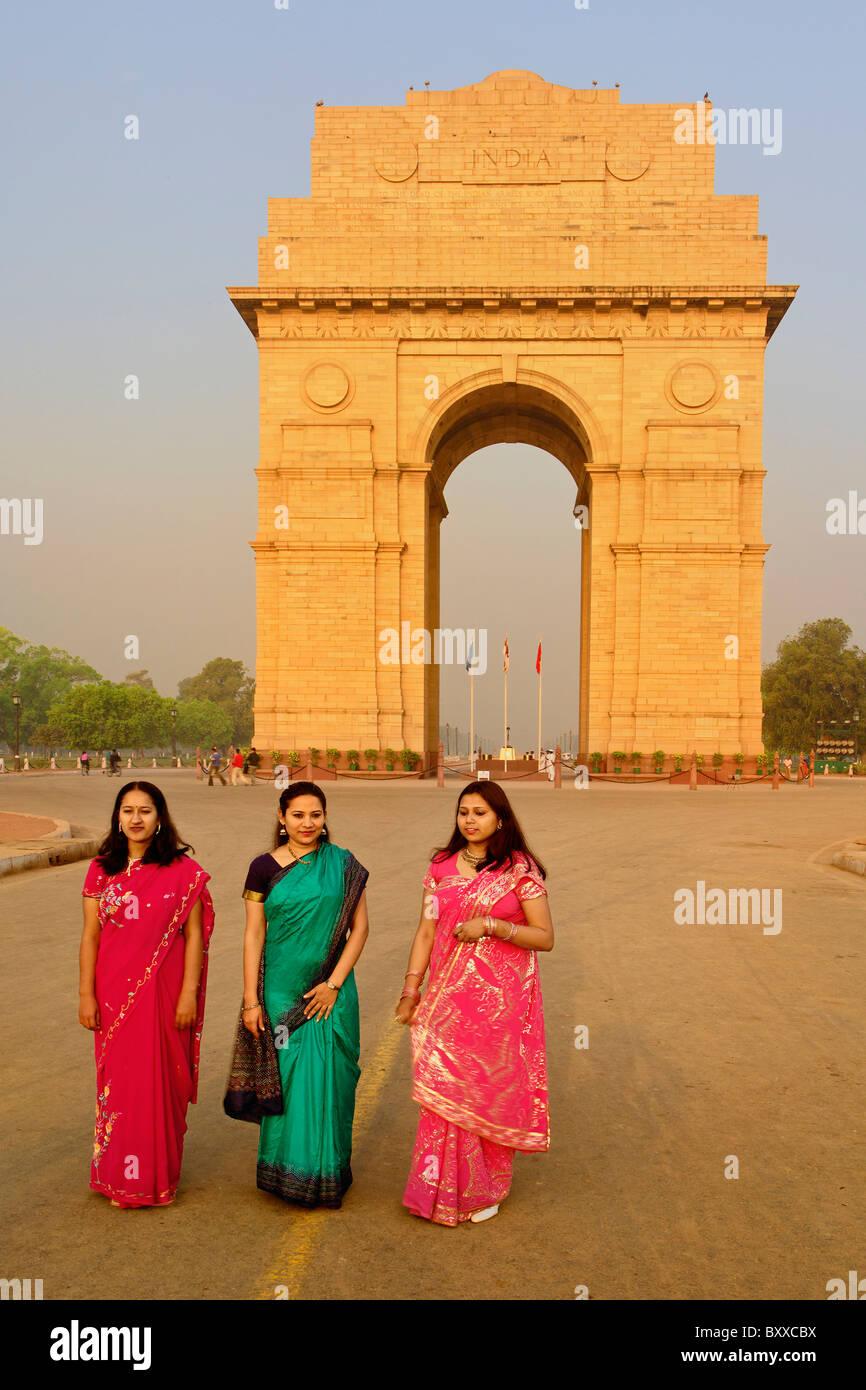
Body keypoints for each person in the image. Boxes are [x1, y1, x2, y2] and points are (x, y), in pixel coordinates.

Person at [398, 780, 553, 1225]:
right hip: (447, 1002)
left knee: (486, 1092)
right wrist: (412, 990)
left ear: (499, 818)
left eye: (480, 812)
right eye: (463, 811)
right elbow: (426, 931)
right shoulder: (441, 866)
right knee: (445, 1093)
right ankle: (438, 1189)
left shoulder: (519, 871)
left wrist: (490, 925)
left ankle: (485, 1188)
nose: (469, 819)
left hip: (498, 1007)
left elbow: (545, 937)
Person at [225, 783, 369, 1207]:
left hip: (332, 992)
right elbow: (254, 935)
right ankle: (285, 1172)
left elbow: (359, 929)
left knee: (334, 1080)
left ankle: (327, 1172)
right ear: (281, 817)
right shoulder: (262, 868)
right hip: (281, 994)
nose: (308, 824)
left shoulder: (343, 864)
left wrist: (333, 983)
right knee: (287, 1081)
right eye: (299, 815)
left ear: (325, 818)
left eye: (316, 815)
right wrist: (251, 1000)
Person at [78, 781, 214, 1207]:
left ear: (160, 818)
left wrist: (188, 993)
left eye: (146, 810)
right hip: (114, 995)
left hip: (164, 993)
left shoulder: (183, 872)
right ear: (117, 817)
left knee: (161, 1082)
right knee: (120, 1087)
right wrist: (86, 994)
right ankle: (119, 1176)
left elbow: (194, 937)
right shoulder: (101, 869)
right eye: (128, 810)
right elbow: (90, 936)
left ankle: (154, 1177)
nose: (136, 819)